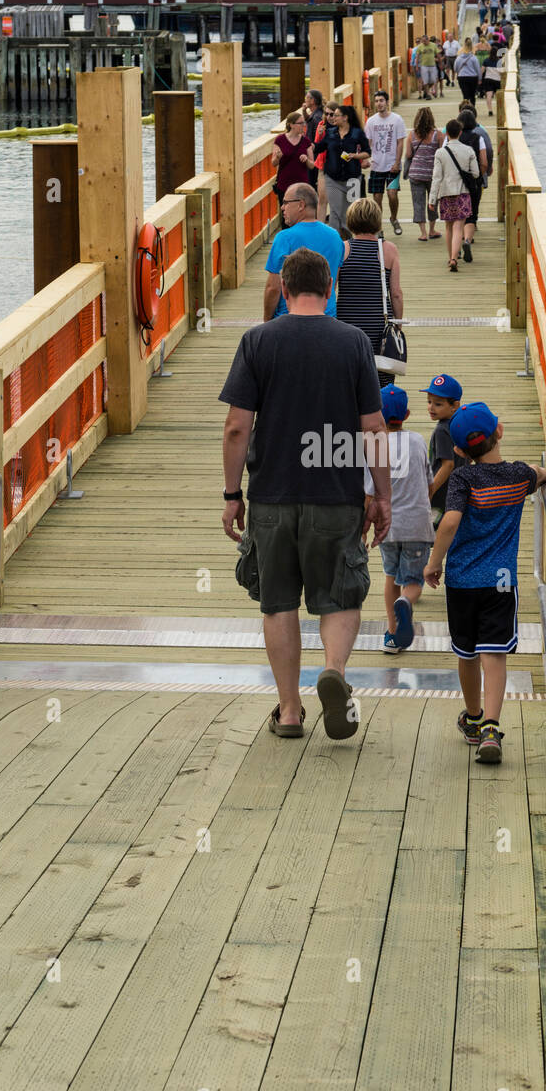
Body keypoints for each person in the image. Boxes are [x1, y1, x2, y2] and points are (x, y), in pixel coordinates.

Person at [220, 248, 390, 740]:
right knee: (339, 597)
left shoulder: (257, 341)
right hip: (336, 496)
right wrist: (382, 496)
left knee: (277, 603)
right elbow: (373, 425)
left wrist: (233, 493)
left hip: (272, 497)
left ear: (285, 292)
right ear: (331, 289)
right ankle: (333, 669)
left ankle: (290, 711)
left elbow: (236, 428)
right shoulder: (354, 342)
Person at [424, 402, 546, 764]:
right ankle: (493, 728)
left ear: (460, 451)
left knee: (467, 653)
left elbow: (449, 523)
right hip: (500, 582)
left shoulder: (463, 479)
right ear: (501, 431)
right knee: (493, 653)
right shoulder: (518, 476)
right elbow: (539, 473)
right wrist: (544, 475)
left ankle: (474, 717)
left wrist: (434, 563)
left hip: (463, 580)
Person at [363, 384, 434, 654]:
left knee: (391, 576)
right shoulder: (417, 440)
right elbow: (428, 484)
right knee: (413, 582)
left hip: (387, 528)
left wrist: (364, 527)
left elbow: (369, 494)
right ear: (406, 414)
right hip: (417, 525)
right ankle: (407, 601)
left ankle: (392, 636)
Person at [336, 197, 402, 385]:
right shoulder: (388, 249)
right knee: (380, 379)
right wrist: (397, 326)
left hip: (347, 323)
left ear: (351, 221)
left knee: (349, 378)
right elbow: (396, 292)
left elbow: (331, 290)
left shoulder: (343, 248)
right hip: (378, 326)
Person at [263, 183, 344, 320]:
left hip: (289, 319)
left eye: (286, 203)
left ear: (301, 205)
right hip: (326, 317)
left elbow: (273, 288)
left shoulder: (284, 238)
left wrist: (267, 320)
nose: (282, 208)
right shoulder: (335, 237)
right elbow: (333, 281)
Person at [428, 117, 479, 271]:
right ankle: (454, 259)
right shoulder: (468, 150)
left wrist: (432, 199)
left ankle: (451, 257)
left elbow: (436, 178)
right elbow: (476, 173)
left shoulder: (440, 153)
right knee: (458, 227)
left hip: (445, 193)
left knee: (449, 228)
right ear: (460, 132)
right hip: (462, 192)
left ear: (447, 133)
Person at [420, 372, 464, 527]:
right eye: (429, 402)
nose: (431, 407)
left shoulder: (441, 430)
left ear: (454, 406)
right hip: (459, 489)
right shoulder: (460, 424)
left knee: (431, 533)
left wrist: (429, 491)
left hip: (440, 493)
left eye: (438, 404)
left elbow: (447, 465)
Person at [323, 103, 371, 236]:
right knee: (335, 210)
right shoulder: (330, 132)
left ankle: (350, 241)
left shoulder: (357, 133)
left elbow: (367, 152)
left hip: (353, 178)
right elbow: (319, 147)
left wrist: (355, 156)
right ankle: (333, 240)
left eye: (336, 115)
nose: (333, 118)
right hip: (333, 178)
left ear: (345, 118)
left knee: (350, 211)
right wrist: (310, 143)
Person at [365, 90, 406, 236]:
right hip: (376, 165)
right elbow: (367, 143)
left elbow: (400, 142)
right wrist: (365, 158)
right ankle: (378, 227)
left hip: (392, 165)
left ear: (387, 102)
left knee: (392, 194)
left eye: (381, 100)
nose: (379, 103)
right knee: (377, 198)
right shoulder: (370, 121)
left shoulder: (397, 120)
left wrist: (397, 162)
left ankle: (394, 218)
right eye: (376, 101)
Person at [404, 106, 442, 241]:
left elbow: (408, 154)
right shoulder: (437, 135)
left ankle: (423, 233)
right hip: (433, 174)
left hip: (415, 174)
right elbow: (442, 153)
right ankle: (432, 230)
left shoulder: (412, 134)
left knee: (418, 202)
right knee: (432, 202)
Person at [457, 108, 489, 263]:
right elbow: (484, 162)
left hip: (455, 182)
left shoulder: (453, 137)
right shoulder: (478, 138)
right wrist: (477, 177)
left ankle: (455, 249)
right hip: (473, 182)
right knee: (471, 214)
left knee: (457, 215)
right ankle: (467, 240)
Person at [271, 110, 314, 207]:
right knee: (286, 217)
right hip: (284, 185)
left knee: (302, 215)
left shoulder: (306, 141)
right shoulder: (280, 140)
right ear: (291, 125)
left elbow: (312, 165)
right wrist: (278, 157)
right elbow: (273, 163)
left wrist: (306, 159)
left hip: (301, 186)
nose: (303, 125)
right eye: (300, 123)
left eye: (304, 123)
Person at [311, 100, 337, 222]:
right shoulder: (322, 125)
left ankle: (338, 229)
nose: (329, 117)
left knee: (336, 200)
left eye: (332, 114)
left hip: (338, 167)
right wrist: (320, 134)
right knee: (322, 199)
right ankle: (319, 228)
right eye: (326, 114)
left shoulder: (343, 126)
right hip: (323, 166)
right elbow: (317, 146)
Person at [453, 38, 481, 106]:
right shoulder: (473, 58)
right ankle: (472, 109)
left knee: (465, 96)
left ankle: (465, 109)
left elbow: (455, 68)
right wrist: (480, 79)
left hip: (462, 77)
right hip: (473, 77)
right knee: (472, 96)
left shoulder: (459, 58)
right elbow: (478, 69)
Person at [481, 41, 503, 117]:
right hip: (497, 80)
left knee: (489, 95)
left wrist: (480, 78)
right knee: (498, 96)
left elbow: (482, 71)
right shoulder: (499, 61)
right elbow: (501, 72)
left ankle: (490, 110)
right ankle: (499, 110)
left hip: (488, 79)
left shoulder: (486, 60)